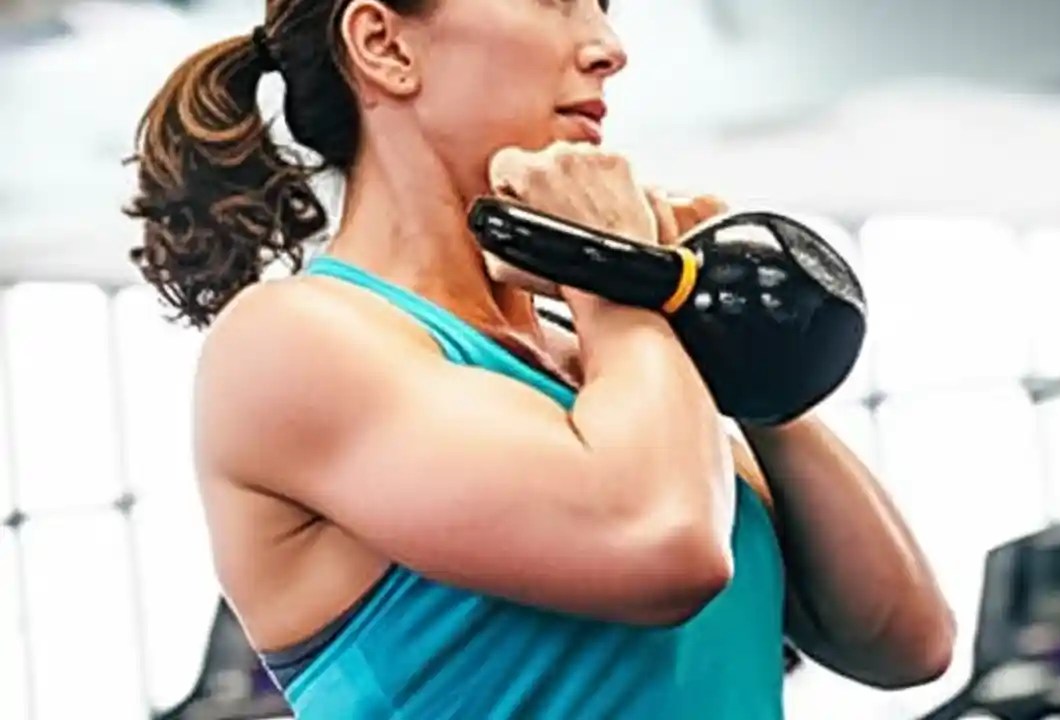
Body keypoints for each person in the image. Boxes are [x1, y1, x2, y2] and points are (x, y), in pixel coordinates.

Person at [124, 0, 955, 717]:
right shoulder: (290, 342)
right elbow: (663, 546)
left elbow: (905, 641)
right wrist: (610, 271)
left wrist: (730, 345)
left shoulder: (605, 353)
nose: (609, 47)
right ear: (385, 45)